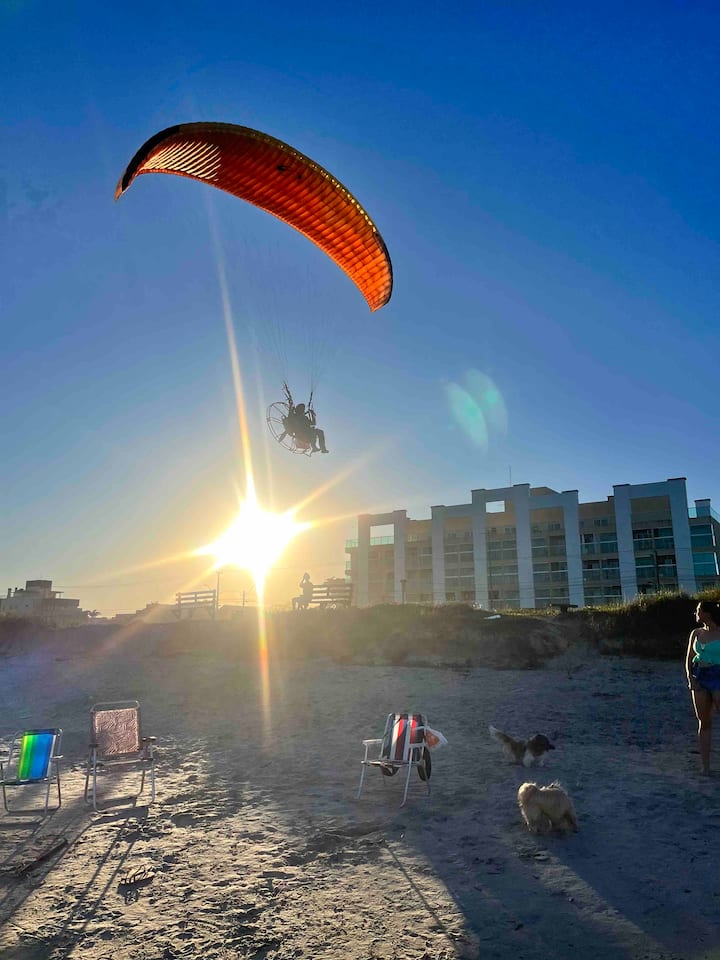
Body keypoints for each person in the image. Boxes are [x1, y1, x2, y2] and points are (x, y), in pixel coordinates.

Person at [686, 599, 720, 775]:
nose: (696, 613)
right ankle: (705, 767)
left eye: (699, 610)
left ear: (708, 613)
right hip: (700, 676)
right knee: (704, 722)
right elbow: (689, 658)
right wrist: (690, 678)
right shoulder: (696, 633)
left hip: (718, 675)